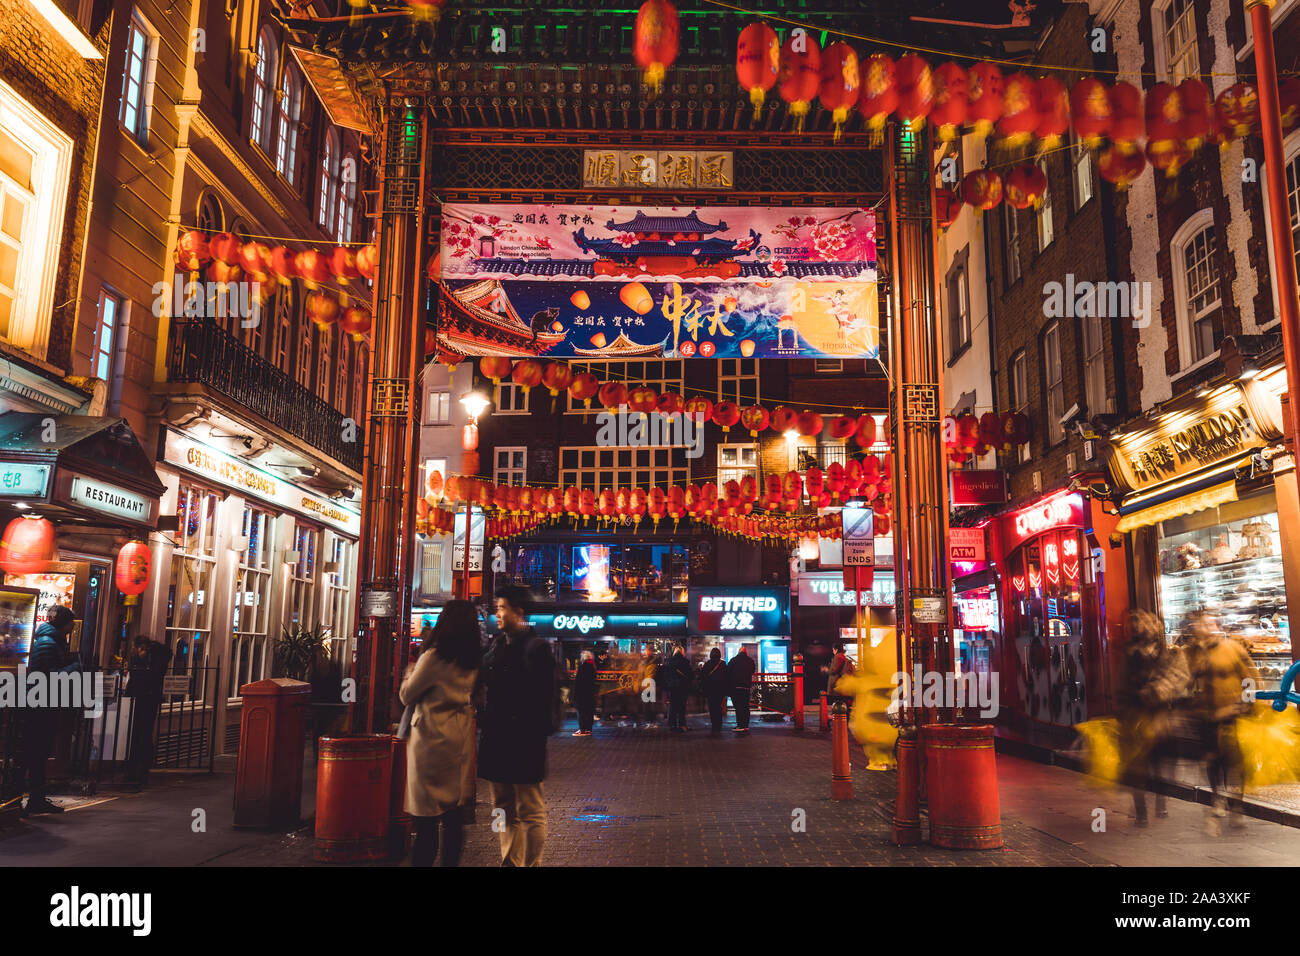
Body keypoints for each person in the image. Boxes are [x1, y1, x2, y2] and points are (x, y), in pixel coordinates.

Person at [399, 599, 480, 867]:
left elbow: (407, 695)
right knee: (453, 816)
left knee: (426, 821)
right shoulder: (471, 660)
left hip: (430, 742)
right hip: (457, 740)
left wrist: (410, 671)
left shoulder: (435, 657)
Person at [479, 587, 555, 866]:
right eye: (497, 608)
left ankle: (531, 863)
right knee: (502, 806)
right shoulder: (497, 646)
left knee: (530, 808)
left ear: (518, 613)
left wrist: (535, 733)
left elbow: (545, 700)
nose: (497, 614)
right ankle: (510, 857)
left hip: (524, 742)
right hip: (497, 739)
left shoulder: (537, 649)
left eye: (502, 608)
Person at [1182, 612, 1257, 833]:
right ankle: (1218, 798)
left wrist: (1247, 705)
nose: (1203, 627)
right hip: (1204, 716)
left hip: (1230, 714)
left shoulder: (1231, 649)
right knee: (1212, 761)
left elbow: (1249, 677)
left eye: (1208, 623)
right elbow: (1185, 681)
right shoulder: (1191, 653)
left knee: (1233, 762)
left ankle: (1237, 805)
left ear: (1215, 626)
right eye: (1200, 623)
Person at [1116, 610, 1188, 827]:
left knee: (1161, 761)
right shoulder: (1128, 653)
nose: (1144, 627)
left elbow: (1180, 678)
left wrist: (1161, 691)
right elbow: (1121, 683)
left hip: (1160, 715)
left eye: (1149, 623)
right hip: (1136, 716)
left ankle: (1161, 799)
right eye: (1138, 623)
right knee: (1137, 765)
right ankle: (1141, 810)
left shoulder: (1169, 653)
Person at [20, 605, 80, 815]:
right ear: (63, 622)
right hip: (39, 705)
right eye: (71, 622)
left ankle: (35, 798)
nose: (73, 627)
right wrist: (74, 668)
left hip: (43, 703)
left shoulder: (51, 641)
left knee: (39, 751)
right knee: (35, 751)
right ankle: (25, 800)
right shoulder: (47, 643)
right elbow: (48, 676)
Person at [123, 635, 172, 786]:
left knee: (142, 734)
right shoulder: (140, 659)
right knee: (137, 734)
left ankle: (140, 769)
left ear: (141, 647)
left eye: (134, 647)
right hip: (141, 698)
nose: (132, 650)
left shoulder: (154, 660)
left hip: (147, 699)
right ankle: (135, 769)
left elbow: (151, 677)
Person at [663, 644, 693, 733]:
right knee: (682, 707)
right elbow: (690, 676)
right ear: (682, 652)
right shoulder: (685, 662)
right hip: (683, 687)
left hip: (673, 687)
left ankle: (672, 725)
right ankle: (682, 725)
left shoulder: (669, 662)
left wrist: (668, 685)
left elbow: (666, 676)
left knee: (672, 706)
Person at [700, 647, 729, 735]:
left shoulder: (708, 664)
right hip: (720, 690)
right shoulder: (723, 664)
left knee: (712, 707)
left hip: (710, 690)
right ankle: (719, 725)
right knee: (718, 707)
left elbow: (703, 677)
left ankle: (714, 726)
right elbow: (727, 677)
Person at [727, 645, 756, 734]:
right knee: (745, 707)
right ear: (746, 652)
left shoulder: (733, 660)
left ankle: (740, 725)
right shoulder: (750, 661)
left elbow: (728, 672)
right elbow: (753, 671)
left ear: (739, 652)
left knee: (738, 707)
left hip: (736, 687)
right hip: (746, 687)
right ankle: (746, 726)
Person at [573, 650, 597, 737]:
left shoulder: (583, 667)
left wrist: (575, 694)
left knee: (581, 711)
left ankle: (582, 730)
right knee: (589, 712)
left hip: (582, 694)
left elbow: (578, 682)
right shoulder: (593, 666)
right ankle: (588, 729)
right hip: (590, 693)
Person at [827, 640, 856, 705]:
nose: (833, 651)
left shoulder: (838, 656)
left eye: (833, 650)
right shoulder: (842, 656)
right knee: (840, 699)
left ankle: (838, 712)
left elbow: (834, 670)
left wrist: (827, 670)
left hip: (836, 681)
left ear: (836, 649)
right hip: (839, 681)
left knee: (837, 700)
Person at [637, 647, 660, 729]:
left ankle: (650, 721)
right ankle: (650, 720)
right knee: (647, 705)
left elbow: (649, 675)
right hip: (646, 685)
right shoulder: (646, 661)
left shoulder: (651, 662)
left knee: (648, 705)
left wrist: (642, 685)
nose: (644, 652)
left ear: (650, 651)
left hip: (648, 686)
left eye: (646, 651)